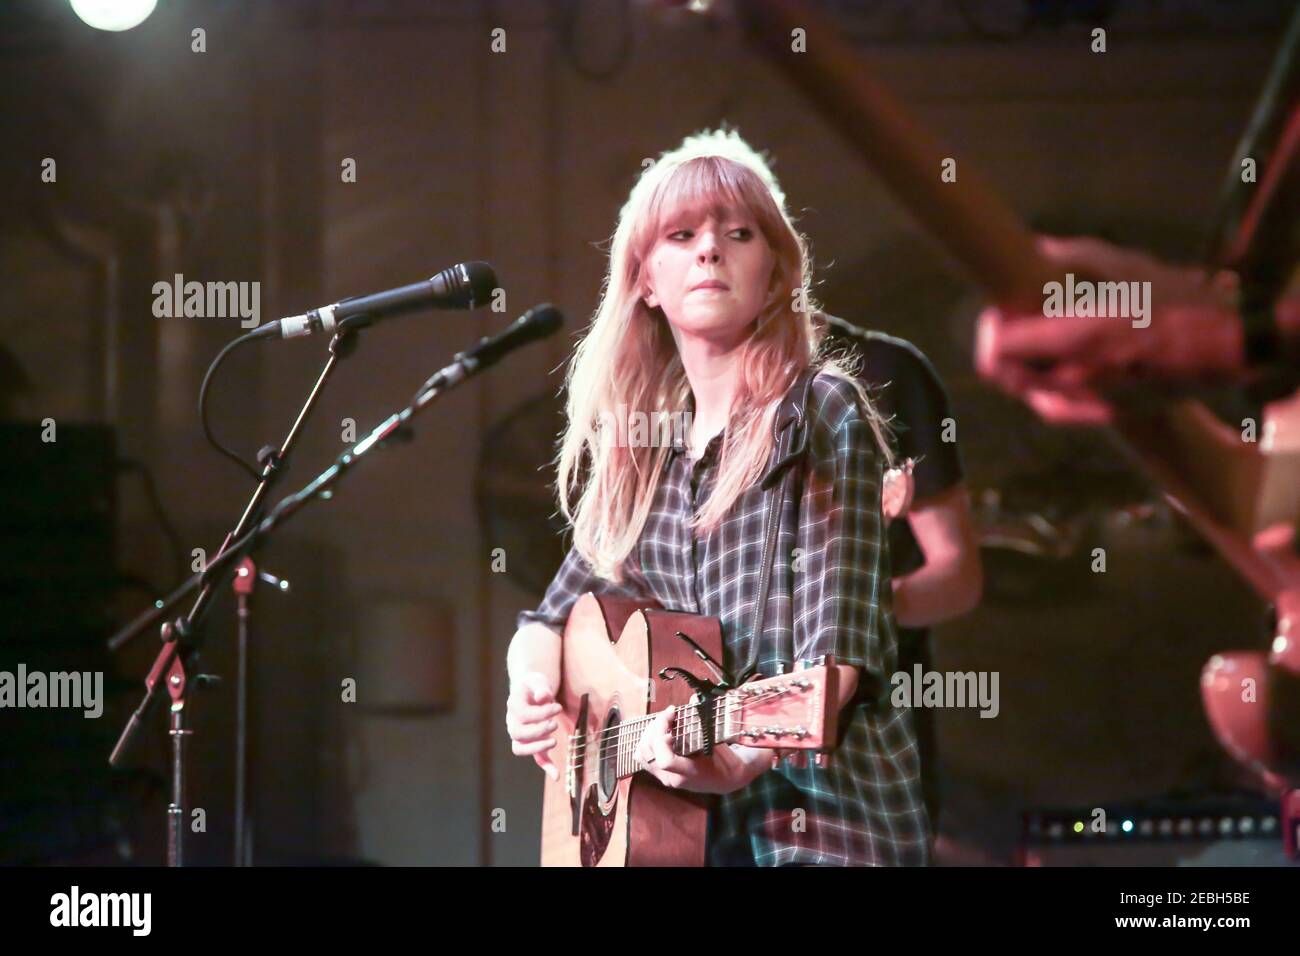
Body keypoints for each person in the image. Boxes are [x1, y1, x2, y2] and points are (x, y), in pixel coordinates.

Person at [504, 127, 929, 865]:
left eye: (738, 233)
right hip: (695, 841)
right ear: (644, 278)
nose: (710, 250)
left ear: (773, 273)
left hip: (827, 829)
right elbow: (549, 618)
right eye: (682, 234)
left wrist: (737, 760)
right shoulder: (646, 451)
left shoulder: (819, 411)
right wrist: (531, 691)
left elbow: (838, 655)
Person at [822, 315, 982, 835]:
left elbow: (956, 576)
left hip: (866, 759)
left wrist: (855, 615)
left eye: (738, 233)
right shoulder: (680, 383)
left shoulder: (884, 372)